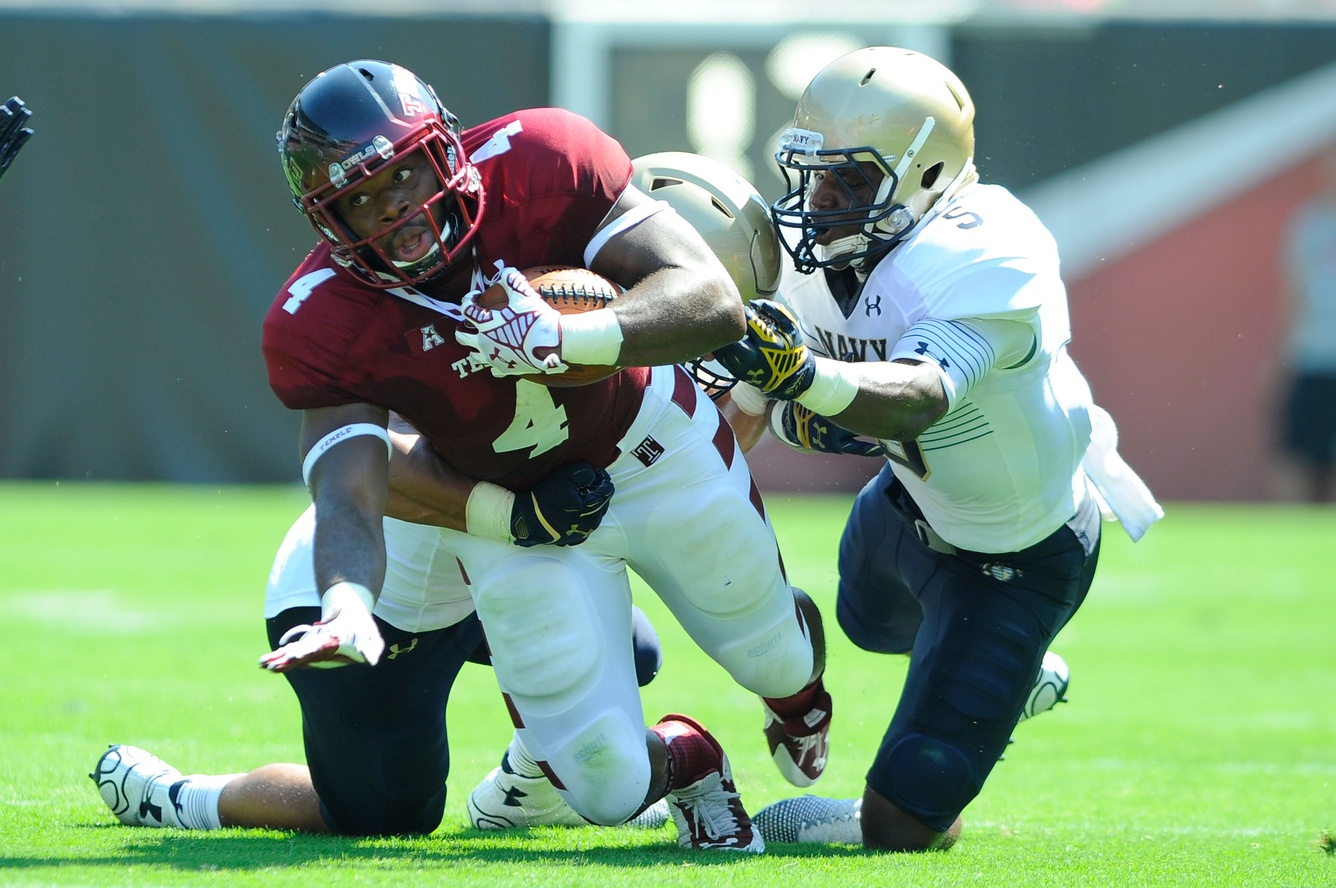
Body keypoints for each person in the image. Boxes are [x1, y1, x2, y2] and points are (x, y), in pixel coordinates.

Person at [198, 59, 827, 852]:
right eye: (358, 199)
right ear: (328, 221)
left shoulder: (542, 160)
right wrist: (346, 601)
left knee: (769, 651)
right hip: (524, 517)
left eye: (401, 176)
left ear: (445, 148)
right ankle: (685, 754)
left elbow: (711, 300)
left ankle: (798, 697)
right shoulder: (320, 318)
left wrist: (572, 338)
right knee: (606, 786)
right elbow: (350, 485)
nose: (393, 211)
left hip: (648, 443)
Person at [700, 46, 1161, 852]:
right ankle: (1009, 677)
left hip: (1017, 557)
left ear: (925, 177)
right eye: (816, 176)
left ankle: (1009, 672)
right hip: (905, 508)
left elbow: (917, 399)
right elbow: (744, 410)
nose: (824, 201)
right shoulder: (817, 252)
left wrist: (798, 378)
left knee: (902, 828)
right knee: (864, 620)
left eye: (853, 181)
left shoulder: (988, 249)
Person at [92, 416, 669, 835]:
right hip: (367, 606)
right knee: (385, 819)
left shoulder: (565, 371)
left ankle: (525, 788)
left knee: (627, 648)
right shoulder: (439, 378)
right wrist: (514, 513)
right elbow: (386, 470)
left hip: (471, 588)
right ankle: (185, 799)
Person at [1277, 147, 1336, 503]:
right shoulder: (1308, 223)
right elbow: (1293, 291)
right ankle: (1294, 528)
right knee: (1297, 453)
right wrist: (1280, 355)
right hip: (1310, 353)